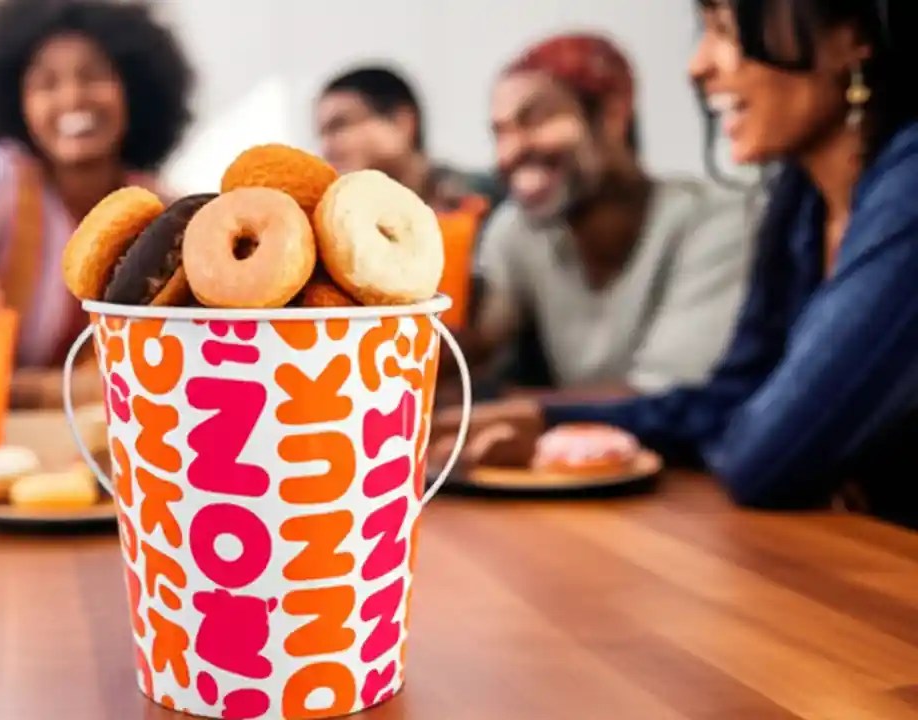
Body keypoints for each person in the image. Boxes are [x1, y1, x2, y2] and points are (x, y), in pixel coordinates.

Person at [433, 1, 918, 528]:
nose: (697, 64)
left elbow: (764, 456)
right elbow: (729, 398)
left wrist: (738, 429)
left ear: (852, 36)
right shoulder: (800, 200)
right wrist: (549, 417)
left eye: (727, 30)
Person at [0, 0, 194, 409]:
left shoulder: (160, 208)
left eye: (93, 76)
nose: (72, 98)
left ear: (133, 90)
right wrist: (52, 392)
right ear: (18, 105)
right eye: (46, 83)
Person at [466, 33, 754, 396]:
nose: (506, 155)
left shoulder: (715, 221)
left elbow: (666, 399)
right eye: (499, 133)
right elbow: (473, 348)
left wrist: (502, 408)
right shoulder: (519, 229)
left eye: (534, 120)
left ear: (613, 112)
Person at [316, 65, 499, 330]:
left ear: (402, 123)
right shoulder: (338, 230)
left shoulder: (484, 201)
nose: (327, 147)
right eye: (322, 133)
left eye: (340, 126)